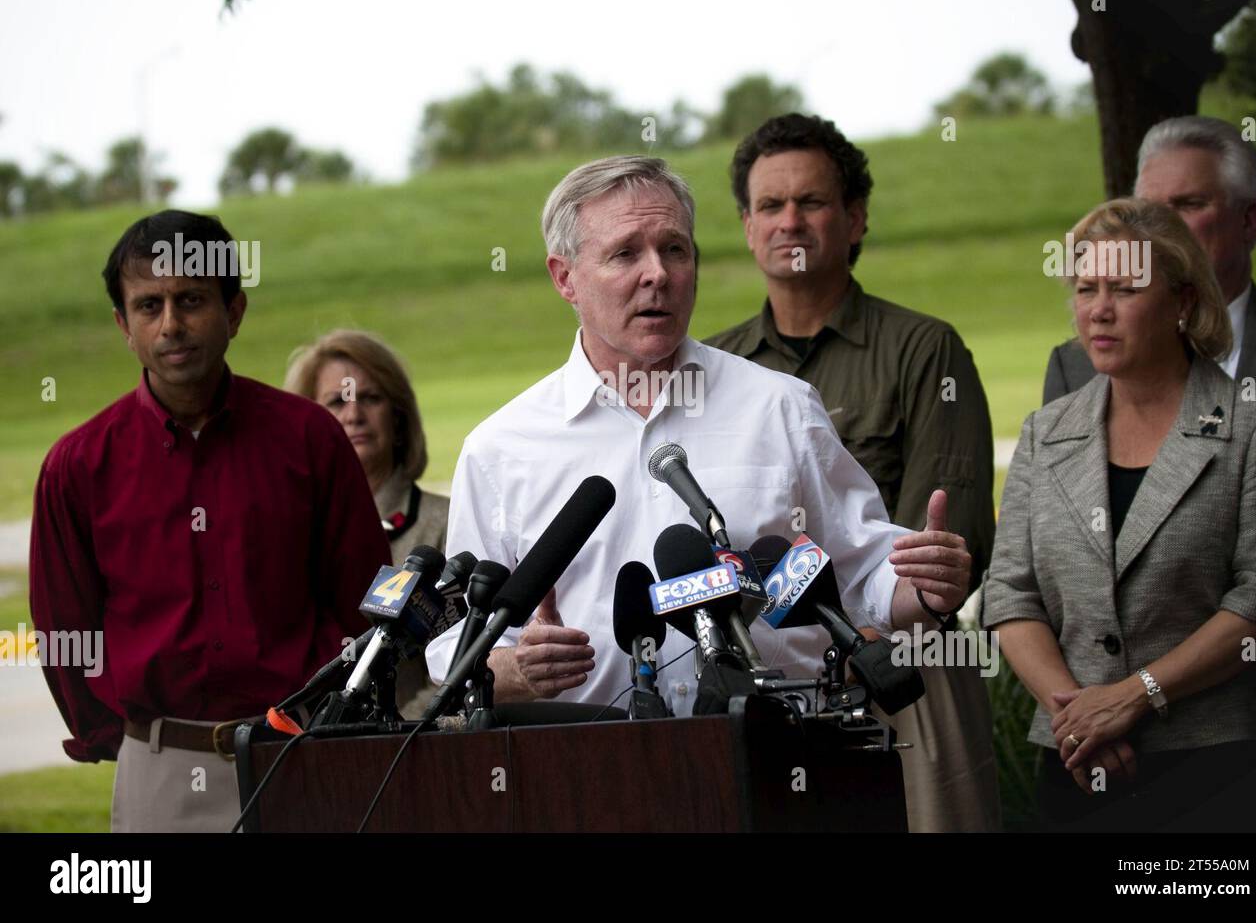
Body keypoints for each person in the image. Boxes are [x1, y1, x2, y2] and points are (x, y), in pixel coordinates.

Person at [425, 155, 973, 723]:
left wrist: (927, 588)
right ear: (565, 278)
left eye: (675, 249)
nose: (657, 273)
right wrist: (517, 670)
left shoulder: (781, 407)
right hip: (586, 770)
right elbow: (448, 653)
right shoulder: (500, 449)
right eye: (625, 253)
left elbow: (866, 580)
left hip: (776, 754)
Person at [28, 210, 390, 832]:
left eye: (191, 300)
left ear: (235, 311)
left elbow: (364, 598)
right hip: (159, 773)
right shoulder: (77, 467)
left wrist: (327, 717)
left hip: (301, 756)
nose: (170, 325)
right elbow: (66, 629)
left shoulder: (309, 440)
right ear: (123, 324)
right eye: (148, 306)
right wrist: (123, 740)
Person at [706, 113, 999, 832]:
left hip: (904, 669)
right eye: (769, 206)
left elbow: (947, 535)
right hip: (763, 674)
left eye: (812, 202)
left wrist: (867, 619)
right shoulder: (716, 370)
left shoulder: (925, 349)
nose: (790, 221)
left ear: (856, 217)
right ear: (747, 227)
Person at [984, 197, 1256, 831]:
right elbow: (1009, 594)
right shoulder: (1046, 433)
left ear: (1183, 301)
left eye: (1125, 289)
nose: (1098, 309)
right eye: (1085, 288)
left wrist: (1132, 699)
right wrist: (1077, 714)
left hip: (1224, 770)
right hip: (1079, 765)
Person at [1043, 116, 1256, 416]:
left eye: (1189, 204)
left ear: (1248, 221)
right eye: (1147, 210)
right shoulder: (1074, 366)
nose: (1160, 229)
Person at [285, 329, 453, 716]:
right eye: (336, 402)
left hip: (402, 750)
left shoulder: (443, 524)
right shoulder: (289, 529)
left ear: (399, 418)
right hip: (293, 748)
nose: (354, 414)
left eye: (371, 398)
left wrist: (390, 735)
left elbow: (454, 666)